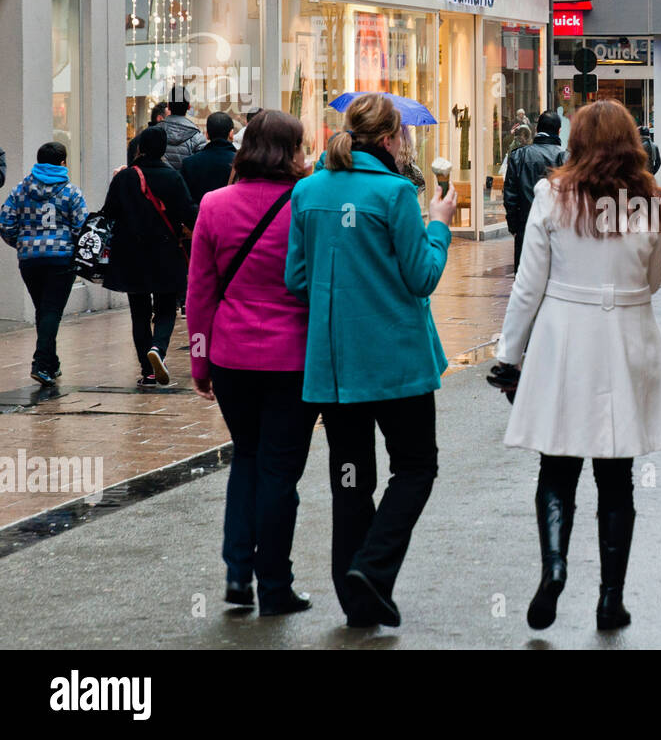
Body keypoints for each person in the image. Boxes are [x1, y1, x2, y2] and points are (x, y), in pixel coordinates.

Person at [492, 99, 661, 631]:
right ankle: (610, 598)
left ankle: (554, 568)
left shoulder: (553, 195)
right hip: (625, 334)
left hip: (563, 337)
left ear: (576, 142)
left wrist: (509, 356)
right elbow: (653, 281)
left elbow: (528, 283)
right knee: (616, 474)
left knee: (556, 464)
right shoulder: (653, 202)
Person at [286, 94, 457, 628]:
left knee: (351, 478)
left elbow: (296, 278)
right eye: (403, 134)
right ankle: (373, 568)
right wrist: (440, 224)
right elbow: (422, 276)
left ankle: (356, 592)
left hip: (336, 366)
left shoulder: (308, 191)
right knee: (415, 467)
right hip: (397, 360)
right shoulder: (396, 193)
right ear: (388, 140)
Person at [186, 111, 315, 616]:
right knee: (280, 471)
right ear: (291, 151)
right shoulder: (305, 204)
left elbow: (200, 293)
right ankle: (276, 584)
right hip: (292, 358)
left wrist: (200, 362)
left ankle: (238, 575)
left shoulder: (214, 205)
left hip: (232, 356)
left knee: (247, 457)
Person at [102, 125, 198, 387]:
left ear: (140, 148)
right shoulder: (172, 177)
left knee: (139, 313)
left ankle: (148, 372)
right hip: (166, 251)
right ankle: (158, 348)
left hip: (130, 254)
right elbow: (189, 212)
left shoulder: (125, 178)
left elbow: (108, 213)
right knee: (166, 307)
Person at [0, 142, 88, 386]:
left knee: (44, 309)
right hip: (61, 258)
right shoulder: (71, 192)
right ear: (62, 163)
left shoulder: (20, 189)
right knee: (51, 311)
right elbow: (82, 227)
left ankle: (52, 363)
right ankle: (40, 363)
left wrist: (21, 243)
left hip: (29, 260)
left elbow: (5, 222)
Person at [504, 110, 567, 272]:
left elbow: (510, 196)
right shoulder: (565, 158)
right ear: (559, 131)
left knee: (525, 277)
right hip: (557, 231)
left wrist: (515, 228)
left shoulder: (519, 156)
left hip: (526, 228)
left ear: (537, 130)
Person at [181, 111, 238, 208]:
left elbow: (184, 201)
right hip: (229, 220)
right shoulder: (241, 164)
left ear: (207, 134)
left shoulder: (189, 163)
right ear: (231, 134)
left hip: (199, 219)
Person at [161, 85, 207, 172]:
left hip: (158, 184)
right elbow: (201, 168)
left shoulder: (154, 132)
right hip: (187, 184)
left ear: (168, 106)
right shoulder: (197, 136)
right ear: (189, 107)